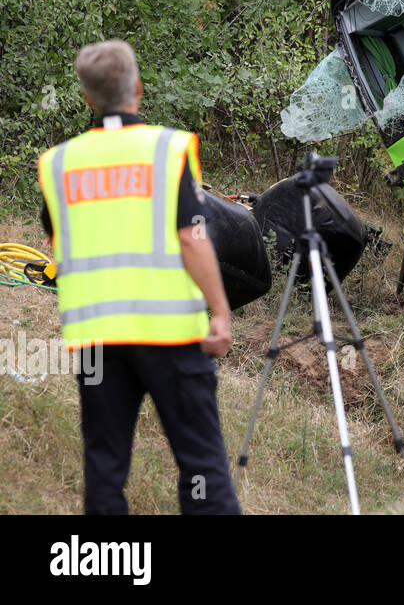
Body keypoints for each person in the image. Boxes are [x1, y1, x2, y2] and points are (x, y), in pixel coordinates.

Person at [36, 39, 241, 514]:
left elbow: (57, 233)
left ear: (88, 97)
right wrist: (221, 312)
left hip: (97, 339)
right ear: (138, 89)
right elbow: (191, 237)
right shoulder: (166, 149)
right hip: (170, 335)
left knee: (105, 470)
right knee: (201, 466)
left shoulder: (59, 163)